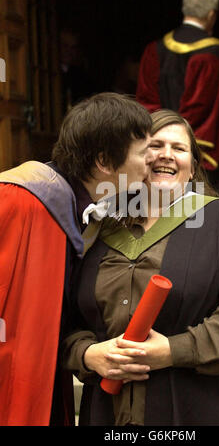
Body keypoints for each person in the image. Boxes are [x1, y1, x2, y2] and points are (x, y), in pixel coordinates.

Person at [61, 109, 219, 426]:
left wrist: (173, 350)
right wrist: (88, 355)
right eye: (155, 146)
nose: (166, 155)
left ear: (193, 168)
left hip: (198, 406)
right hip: (109, 411)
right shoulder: (98, 230)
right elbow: (66, 318)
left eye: (179, 148)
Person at [0, 92, 152, 426]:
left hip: (41, 381)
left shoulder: (88, 215)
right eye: (143, 152)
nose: (152, 161)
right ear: (104, 162)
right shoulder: (18, 199)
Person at [136, 0, 219, 221]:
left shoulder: (155, 49)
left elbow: (145, 100)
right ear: (212, 14)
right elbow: (202, 106)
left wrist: (159, 140)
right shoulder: (211, 51)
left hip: (158, 142)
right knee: (206, 212)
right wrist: (184, 144)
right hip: (199, 147)